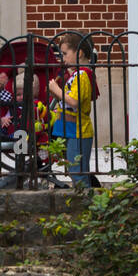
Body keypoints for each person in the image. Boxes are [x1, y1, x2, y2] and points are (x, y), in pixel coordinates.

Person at [45, 33, 96, 186]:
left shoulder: (82, 75)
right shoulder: (76, 75)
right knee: (76, 170)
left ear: (79, 53)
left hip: (78, 131)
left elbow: (74, 101)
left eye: (65, 54)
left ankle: (87, 204)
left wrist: (56, 89)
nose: (63, 58)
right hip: (71, 129)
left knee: (77, 173)